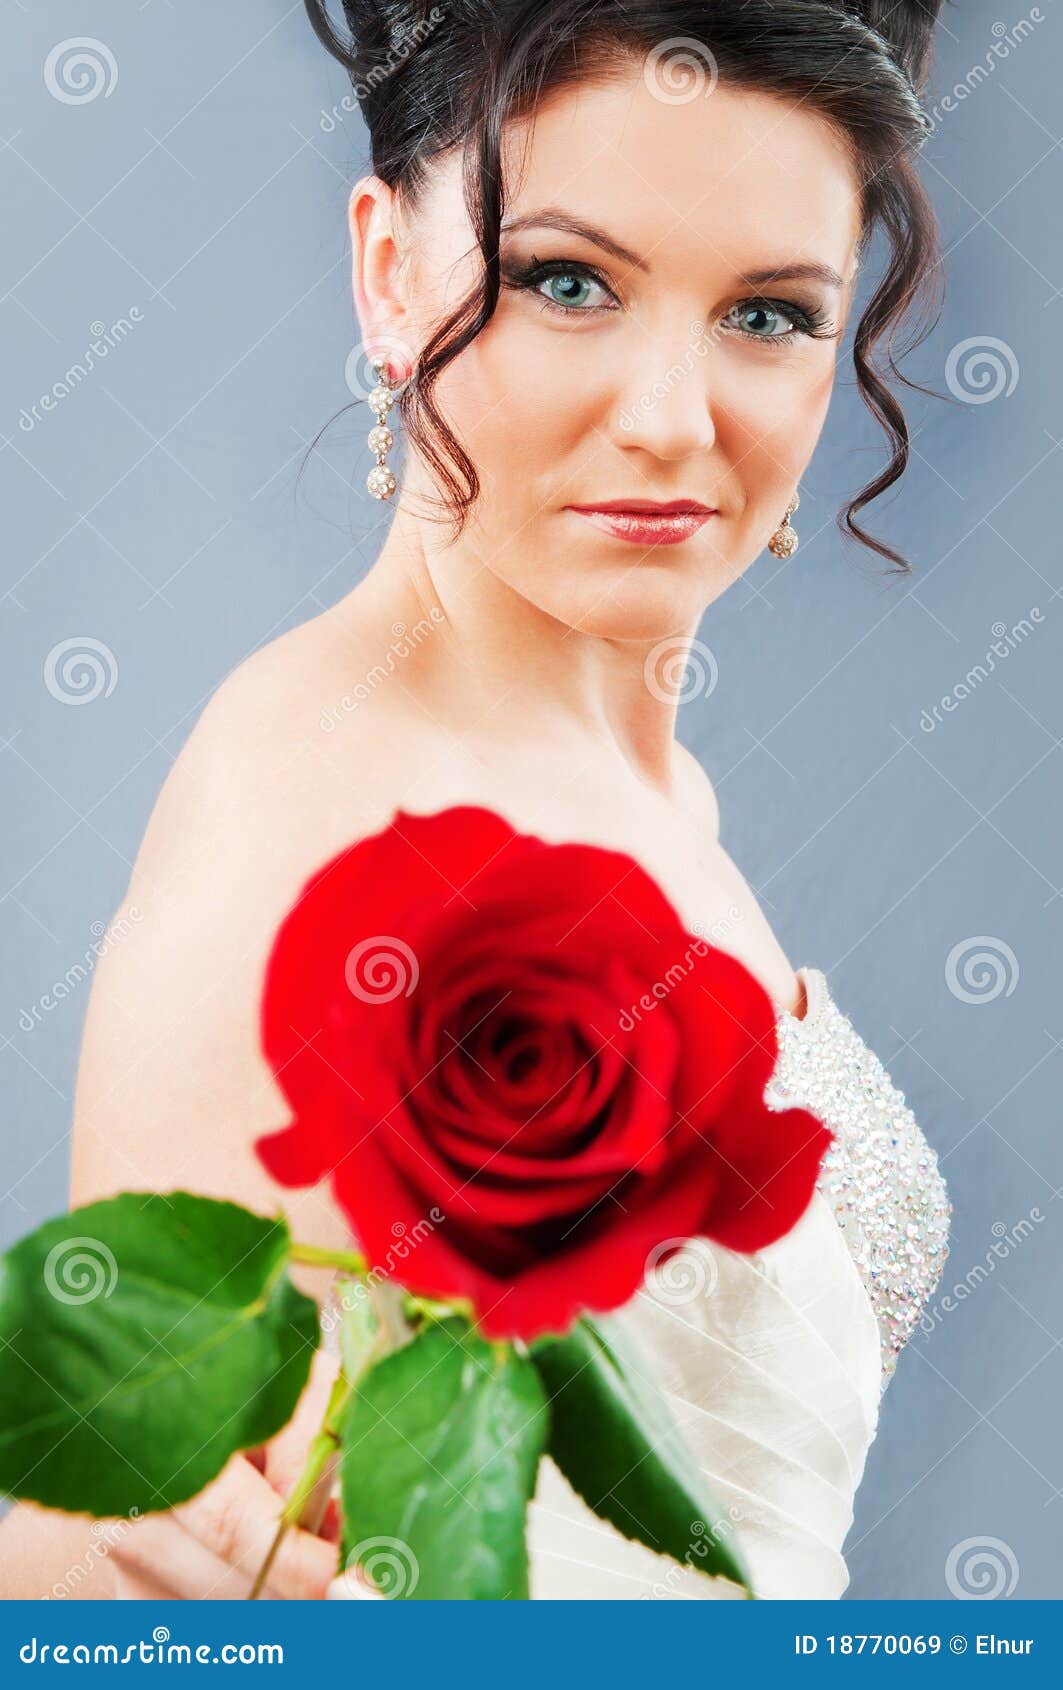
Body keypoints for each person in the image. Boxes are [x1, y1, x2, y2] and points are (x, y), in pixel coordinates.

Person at [0, 0, 953, 1599]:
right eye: (566, 282)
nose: (671, 418)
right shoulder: (332, 799)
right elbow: (137, 1556)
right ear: (388, 272)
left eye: (772, 314)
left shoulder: (653, 783)